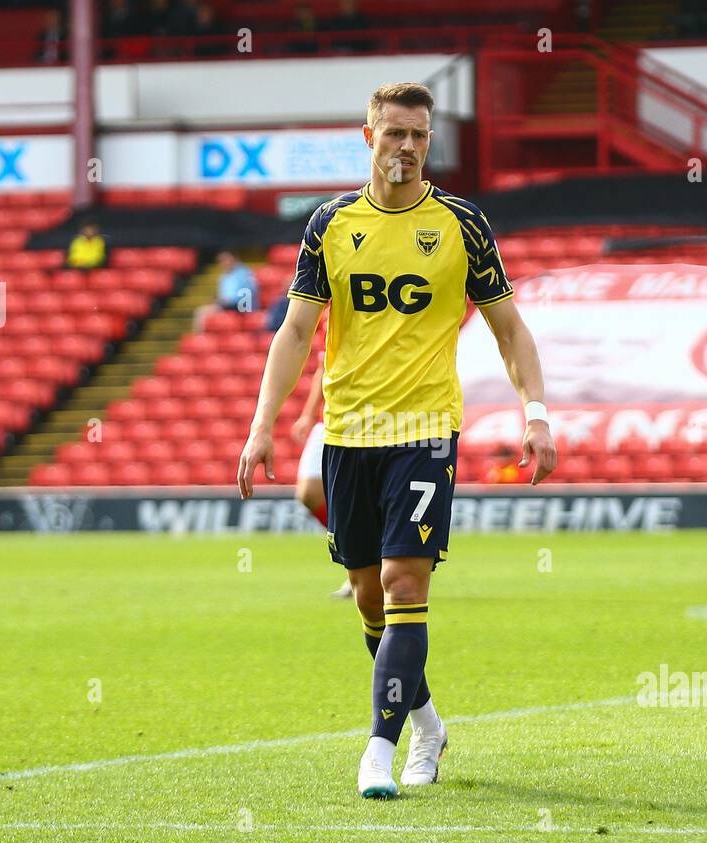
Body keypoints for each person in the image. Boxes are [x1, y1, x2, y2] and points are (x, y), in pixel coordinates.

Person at [237, 82, 557, 799]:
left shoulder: (463, 224)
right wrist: (263, 426)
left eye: (419, 135)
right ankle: (429, 725)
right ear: (369, 137)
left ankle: (379, 752)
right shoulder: (329, 224)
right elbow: (294, 332)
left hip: (424, 431)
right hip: (349, 432)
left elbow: (509, 329)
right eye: (395, 135)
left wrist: (536, 411)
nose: (407, 148)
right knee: (366, 597)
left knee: (404, 581)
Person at [291, 352, 353, 599]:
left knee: (356, 498)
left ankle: (364, 567)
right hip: (328, 418)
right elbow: (323, 365)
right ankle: (362, 553)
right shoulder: (327, 316)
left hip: (364, 415)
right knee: (309, 493)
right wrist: (308, 414)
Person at [194, 251, 259, 330]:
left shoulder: (243, 273)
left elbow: (248, 293)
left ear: (233, 259)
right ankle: (202, 339)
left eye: (225, 260)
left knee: (202, 312)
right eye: (221, 261)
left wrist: (229, 301)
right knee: (203, 311)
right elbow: (223, 294)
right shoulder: (224, 276)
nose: (223, 263)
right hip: (227, 305)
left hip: (240, 306)